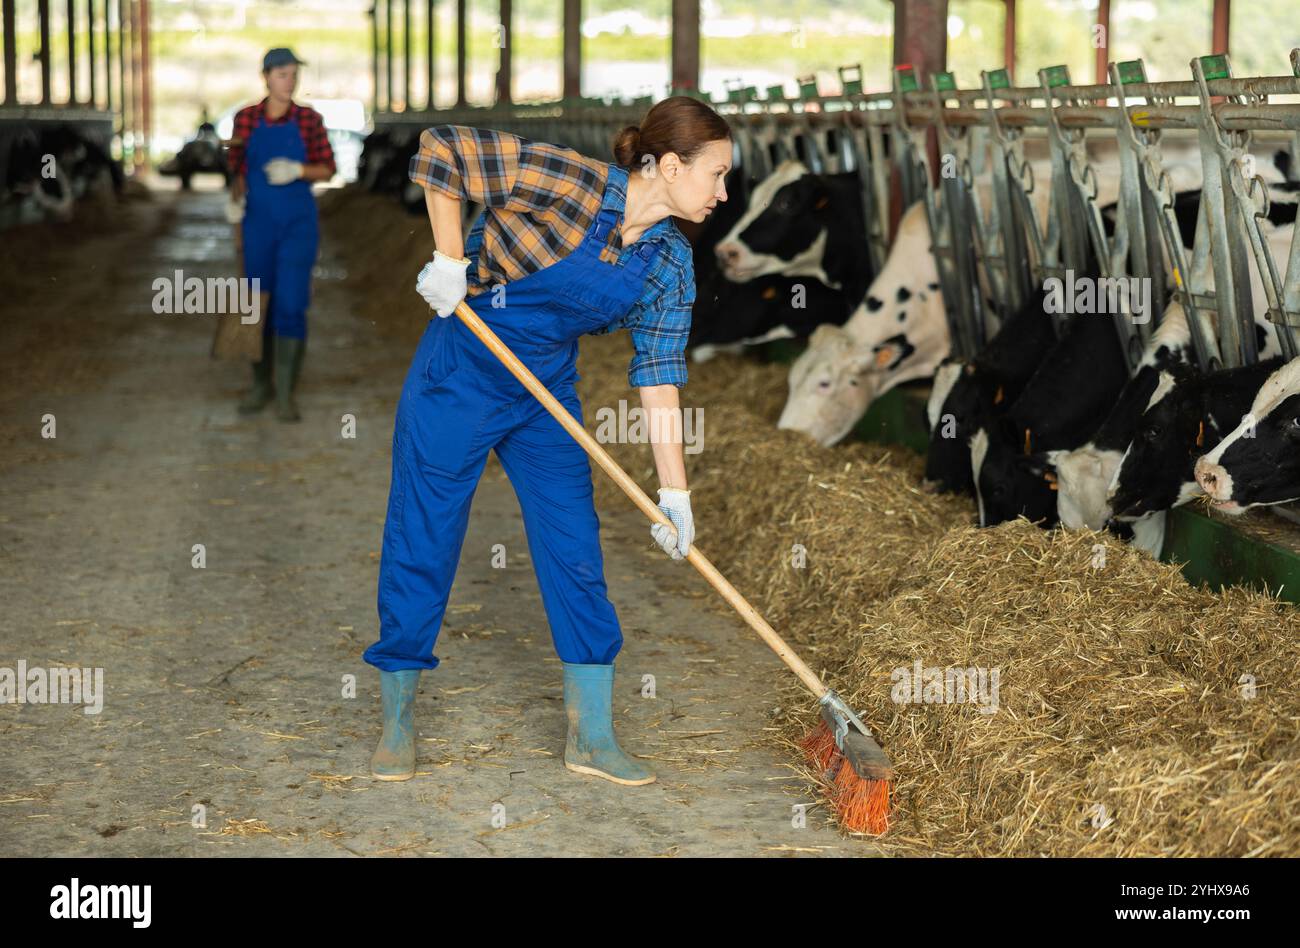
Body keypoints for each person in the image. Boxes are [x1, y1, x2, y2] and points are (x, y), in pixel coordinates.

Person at [363, 96, 733, 787]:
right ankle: (397, 717)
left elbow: (658, 378)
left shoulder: (669, 265)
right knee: (426, 532)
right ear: (672, 165)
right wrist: (449, 260)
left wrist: (675, 494)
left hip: (545, 394)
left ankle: (590, 736)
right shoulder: (572, 181)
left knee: (574, 544)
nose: (722, 192)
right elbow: (442, 151)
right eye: (716, 174)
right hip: (463, 368)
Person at [225, 47, 336, 422]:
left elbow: (328, 168)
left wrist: (299, 170)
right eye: (283, 74)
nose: (290, 82)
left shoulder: (309, 120)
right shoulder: (245, 120)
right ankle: (260, 385)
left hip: (297, 225)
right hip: (257, 223)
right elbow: (236, 170)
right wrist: (235, 206)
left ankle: (286, 392)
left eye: (294, 75)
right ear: (267, 77)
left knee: (291, 303)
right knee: (256, 302)